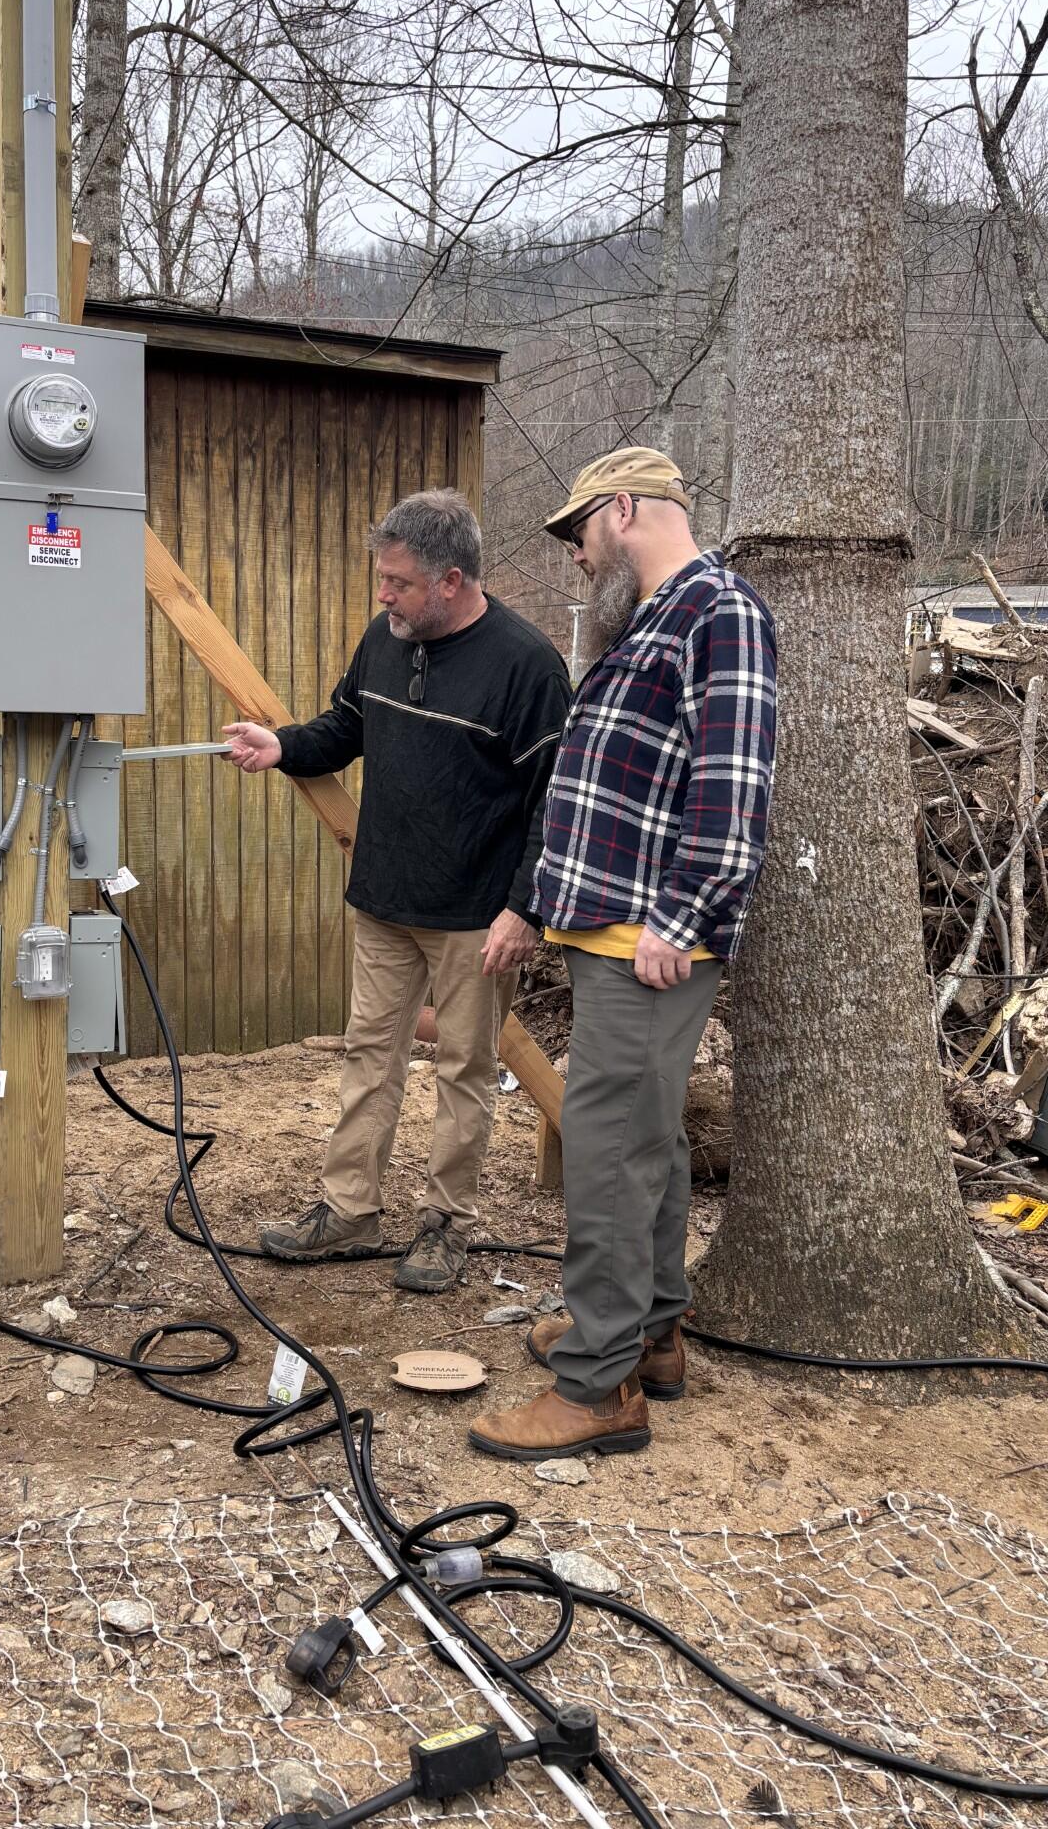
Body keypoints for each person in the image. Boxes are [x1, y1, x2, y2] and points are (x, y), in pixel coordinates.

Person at [468, 447, 777, 1459]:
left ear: (629, 507)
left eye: (580, 531)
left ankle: (597, 1386)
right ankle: (651, 1333)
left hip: (653, 939)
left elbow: (732, 789)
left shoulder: (718, 612)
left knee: (606, 1149)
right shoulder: (653, 620)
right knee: (645, 1140)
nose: (573, 553)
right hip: (613, 930)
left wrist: (684, 917)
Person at [224, 487, 571, 1293]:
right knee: (368, 1056)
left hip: (475, 916)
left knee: (465, 1069)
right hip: (383, 897)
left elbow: (553, 804)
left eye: (398, 582)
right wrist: (282, 745)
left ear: (452, 580)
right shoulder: (388, 639)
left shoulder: (527, 667)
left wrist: (526, 909)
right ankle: (349, 1210)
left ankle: (447, 1224)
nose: (383, 596)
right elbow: (346, 727)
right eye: (383, 580)